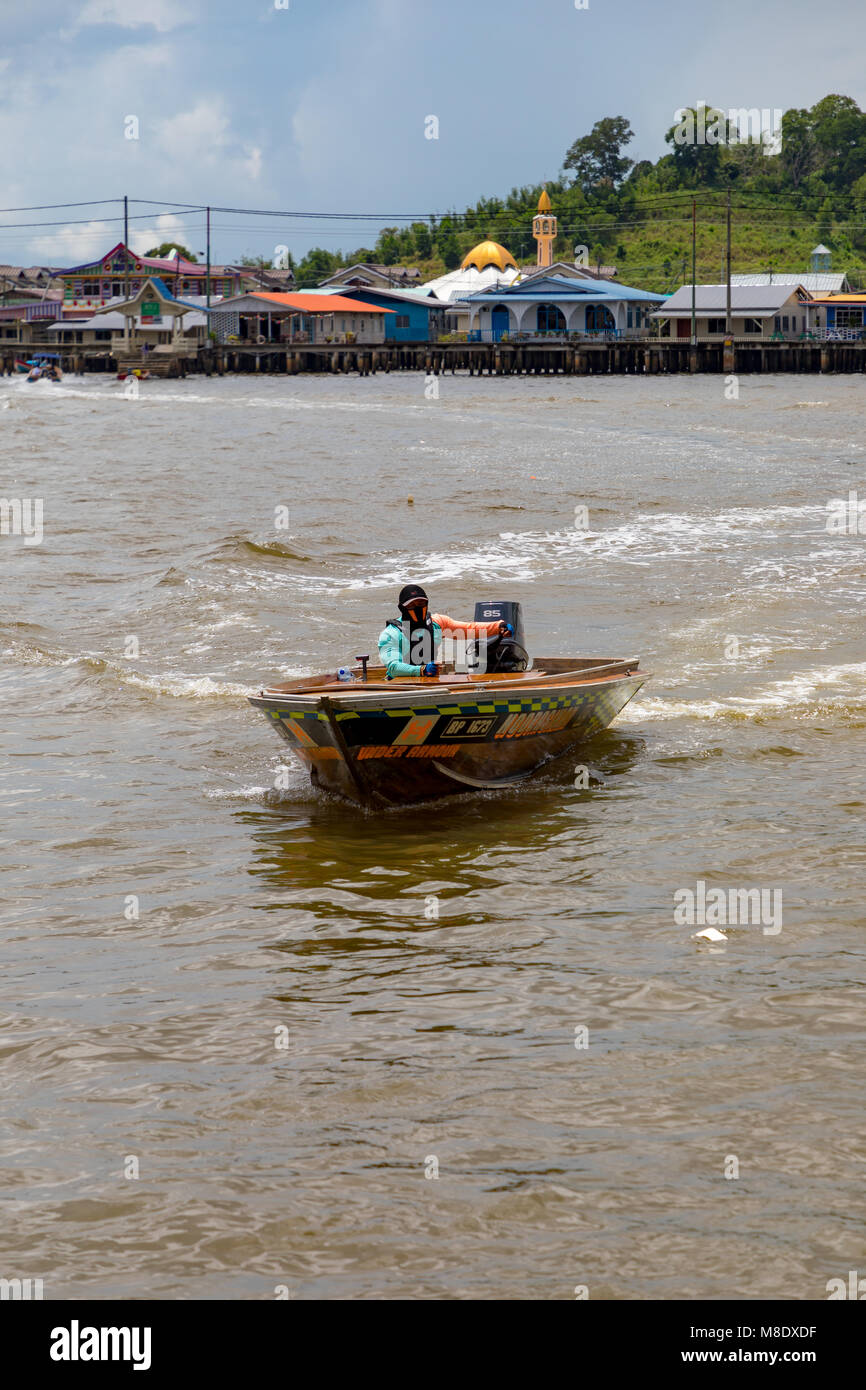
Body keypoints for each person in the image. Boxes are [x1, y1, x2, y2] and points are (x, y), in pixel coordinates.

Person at [378, 584, 511, 680]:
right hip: (399, 684)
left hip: (428, 681)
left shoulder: (437, 622)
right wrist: (422, 670)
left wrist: (498, 626)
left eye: (421, 604)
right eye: (412, 605)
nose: (417, 608)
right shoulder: (390, 634)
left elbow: (468, 629)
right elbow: (393, 668)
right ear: (402, 608)